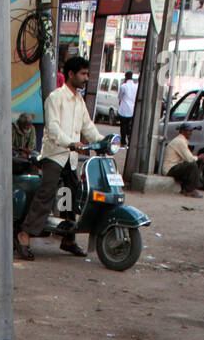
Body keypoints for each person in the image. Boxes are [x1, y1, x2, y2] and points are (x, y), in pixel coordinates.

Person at [15, 56, 100, 261]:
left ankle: (68, 239)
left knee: (71, 195)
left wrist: (105, 141)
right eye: (83, 74)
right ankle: (24, 234)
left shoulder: (79, 101)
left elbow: (88, 127)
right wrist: (71, 142)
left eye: (87, 74)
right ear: (71, 74)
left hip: (70, 158)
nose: (86, 78)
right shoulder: (55, 98)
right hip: (54, 154)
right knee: (47, 193)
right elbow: (53, 128)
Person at [162, 123, 204, 197]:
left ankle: (189, 187)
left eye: (191, 131)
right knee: (192, 164)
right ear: (182, 131)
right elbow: (190, 159)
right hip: (170, 169)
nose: (190, 133)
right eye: (188, 131)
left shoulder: (182, 140)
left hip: (175, 167)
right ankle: (189, 190)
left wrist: (199, 159)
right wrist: (199, 158)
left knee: (196, 162)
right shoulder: (180, 141)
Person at [118, 70, 137, 147]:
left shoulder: (123, 86)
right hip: (132, 109)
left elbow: (120, 96)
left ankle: (123, 141)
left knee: (123, 126)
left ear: (126, 77)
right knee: (130, 126)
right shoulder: (136, 86)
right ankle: (130, 140)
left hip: (124, 109)